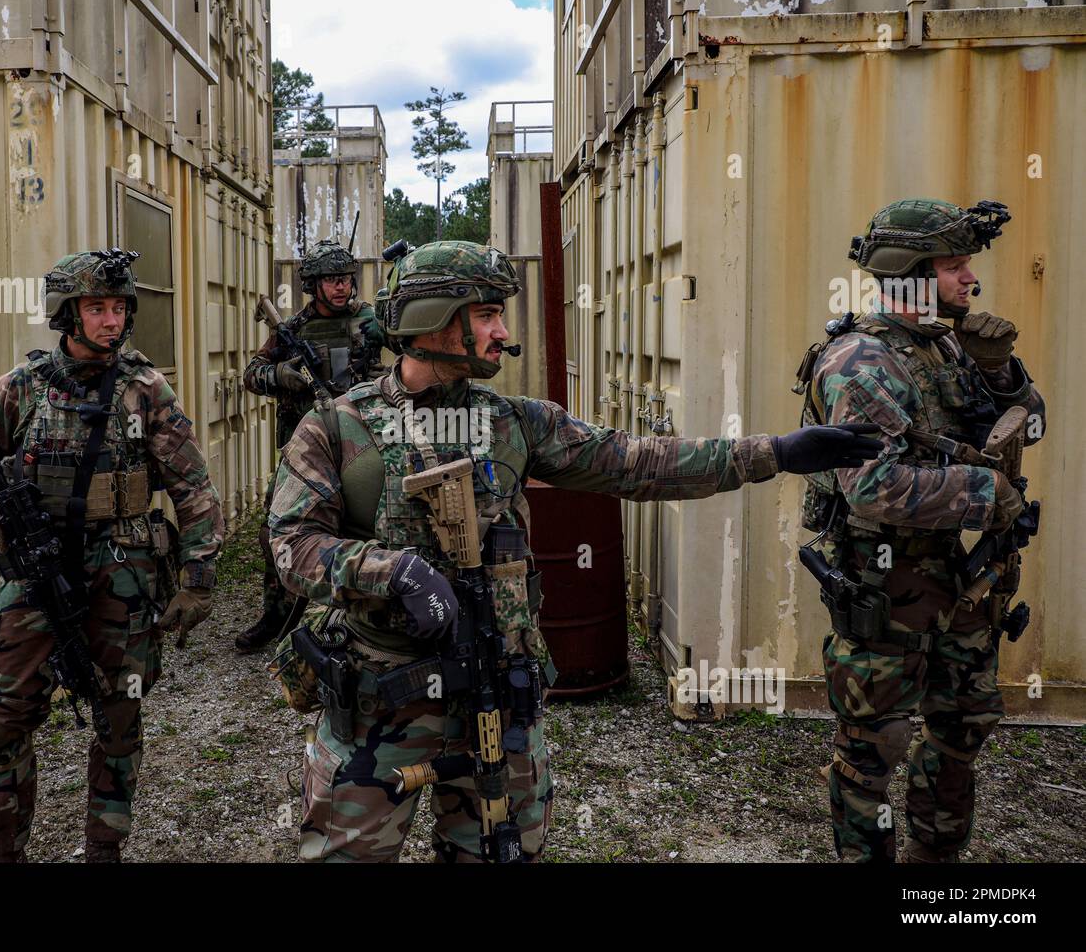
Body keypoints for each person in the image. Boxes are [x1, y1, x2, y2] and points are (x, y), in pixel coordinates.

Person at [267, 239, 884, 862]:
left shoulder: (514, 422)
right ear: (433, 317)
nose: (503, 331)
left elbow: (635, 463)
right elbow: (292, 546)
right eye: (485, 315)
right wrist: (390, 570)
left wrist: (775, 454)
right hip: (383, 701)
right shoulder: (337, 427)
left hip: (497, 697)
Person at [0, 249, 224, 862]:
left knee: (120, 719)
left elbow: (193, 488)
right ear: (67, 314)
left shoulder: (146, 388)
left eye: (119, 307)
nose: (111, 320)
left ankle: (104, 849)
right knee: (1, 716)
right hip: (39, 575)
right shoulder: (22, 387)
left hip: (126, 576)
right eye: (97, 308)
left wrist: (197, 579)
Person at [795, 198, 1046, 862]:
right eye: (958, 265)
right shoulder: (862, 360)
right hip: (888, 593)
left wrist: (1000, 372)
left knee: (961, 733)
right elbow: (872, 487)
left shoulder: (949, 347)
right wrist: (984, 493)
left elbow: (1033, 424)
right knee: (870, 759)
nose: (972, 280)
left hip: (962, 587)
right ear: (912, 270)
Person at [235, 238, 385, 653]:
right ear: (313, 285)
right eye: (332, 280)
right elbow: (251, 375)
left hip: (364, 448)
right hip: (304, 454)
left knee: (375, 527)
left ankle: (368, 611)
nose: (342, 287)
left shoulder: (372, 321)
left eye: (346, 279)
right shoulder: (293, 331)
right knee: (277, 530)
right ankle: (276, 613)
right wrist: (284, 374)